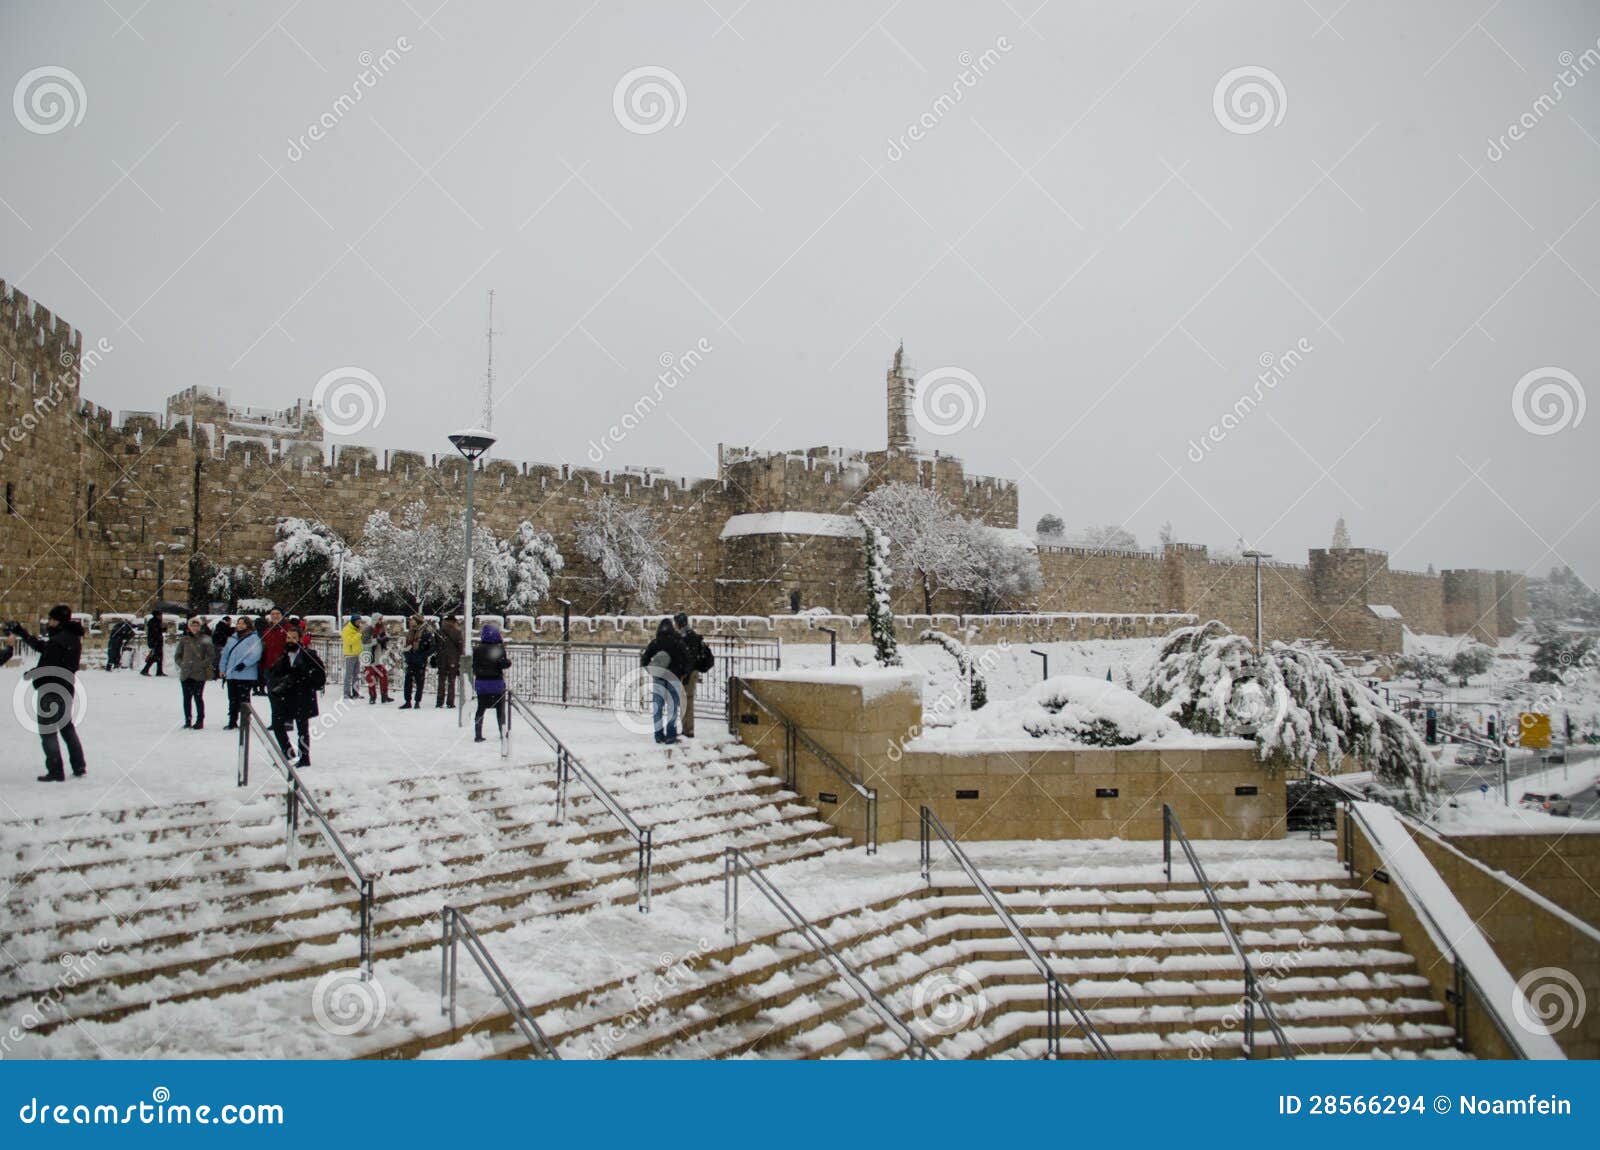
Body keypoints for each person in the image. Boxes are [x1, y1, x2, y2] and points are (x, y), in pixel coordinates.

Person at [10, 605, 88, 781]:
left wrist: (32, 674)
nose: (49, 622)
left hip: (51, 689)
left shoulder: (58, 640)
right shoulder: (72, 638)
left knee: (48, 731)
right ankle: (79, 765)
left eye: (52, 619)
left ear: (58, 620)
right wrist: (22, 632)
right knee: (66, 727)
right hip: (67, 687)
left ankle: (55, 770)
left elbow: (48, 665)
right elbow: (43, 648)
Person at [266, 628, 325, 767]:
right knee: (277, 724)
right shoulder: (284, 656)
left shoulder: (308, 655)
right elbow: (274, 673)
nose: (290, 640)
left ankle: (304, 758)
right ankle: (287, 752)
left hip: (302, 696)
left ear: (299, 639)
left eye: (293, 638)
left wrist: (301, 677)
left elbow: (319, 675)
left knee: (302, 729)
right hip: (286, 698)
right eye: (288, 638)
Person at [640, 617, 689, 745]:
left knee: (658, 708)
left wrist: (652, 671)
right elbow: (687, 660)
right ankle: (671, 736)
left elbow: (644, 660)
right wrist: (682, 673)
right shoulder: (678, 641)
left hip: (658, 678)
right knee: (672, 708)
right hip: (674, 678)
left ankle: (658, 735)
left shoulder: (655, 643)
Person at [673, 612, 713, 739]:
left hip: (686, 673)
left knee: (685, 701)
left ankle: (687, 729)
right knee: (687, 701)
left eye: (675, 623)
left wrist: (684, 672)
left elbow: (684, 657)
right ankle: (688, 728)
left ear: (678, 623)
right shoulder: (694, 636)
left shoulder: (682, 637)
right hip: (693, 672)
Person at [219, 615, 262, 730]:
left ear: (248, 625)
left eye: (243, 623)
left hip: (246, 674)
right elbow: (225, 655)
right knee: (232, 699)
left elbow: (256, 653)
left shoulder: (254, 638)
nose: (240, 625)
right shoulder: (232, 638)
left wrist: (245, 663)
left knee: (244, 699)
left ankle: (245, 721)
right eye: (238, 623)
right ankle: (232, 721)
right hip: (231, 673)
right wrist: (222, 669)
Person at [471, 622, 510, 743]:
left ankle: (478, 734)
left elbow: (475, 666)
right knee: (500, 710)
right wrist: (508, 662)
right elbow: (503, 664)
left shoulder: (477, 649)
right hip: (496, 683)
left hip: (481, 683)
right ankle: (502, 733)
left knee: (480, 709)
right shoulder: (498, 649)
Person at [175, 616, 216, 729]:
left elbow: (211, 655)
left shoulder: (205, 638)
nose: (194, 628)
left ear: (200, 626)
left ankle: (200, 720)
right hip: (186, 673)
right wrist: (182, 664)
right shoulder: (184, 639)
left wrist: (202, 665)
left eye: (197, 625)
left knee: (198, 697)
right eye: (192, 625)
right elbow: (178, 655)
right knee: (186, 698)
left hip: (199, 674)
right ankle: (187, 720)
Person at [400, 615, 434, 709]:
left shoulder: (425, 633)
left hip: (420, 660)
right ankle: (407, 701)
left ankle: (417, 701)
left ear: (417, 621)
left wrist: (422, 655)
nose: (410, 621)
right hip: (410, 660)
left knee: (419, 682)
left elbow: (432, 647)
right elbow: (407, 645)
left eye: (412, 620)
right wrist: (407, 654)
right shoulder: (411, 632)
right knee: (408, 681)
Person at [435, 614, 462, 709]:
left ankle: (439, 701)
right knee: (451, 681)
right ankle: (450, 702)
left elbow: (436, 646)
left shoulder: (439, 632)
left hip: (441, 659)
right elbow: (460, 647)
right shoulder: (457, 632)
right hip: (453, 660)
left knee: (441, 681)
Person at [364, 618, 394, 704]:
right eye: (379, 620)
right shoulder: (368, 630)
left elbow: (385, 638)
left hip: (379, 658)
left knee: (384, 678)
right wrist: (377, 640)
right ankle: (372, 697)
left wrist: (385, 639)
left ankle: (384, 696)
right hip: (370, 659)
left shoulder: (381, 629)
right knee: (371, 679)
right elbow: (366, 642)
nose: (380, 621)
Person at [340, 613, 364, 700]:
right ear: (353, 621)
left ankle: (356, 692)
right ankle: (346, 693)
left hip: (356, 654)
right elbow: (349, 641)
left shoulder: (356, 629)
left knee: (356, 675)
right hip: (350, 655)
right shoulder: (346, 630)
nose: (359, 623)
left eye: (360, 622)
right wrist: (359, 634)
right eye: (358, 622)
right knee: (349, 675)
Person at [139, 610, 166, 676]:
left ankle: (159, 671)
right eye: (160, 615)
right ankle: (145, 670)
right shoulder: (154, 622)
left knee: (159, 657)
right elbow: (155, 632)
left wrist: (162, 629)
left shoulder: (156, 622)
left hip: (157, 642)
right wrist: (162, 630)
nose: (161, 616)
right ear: (157, 615)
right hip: (155, 642)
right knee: (155, 657)